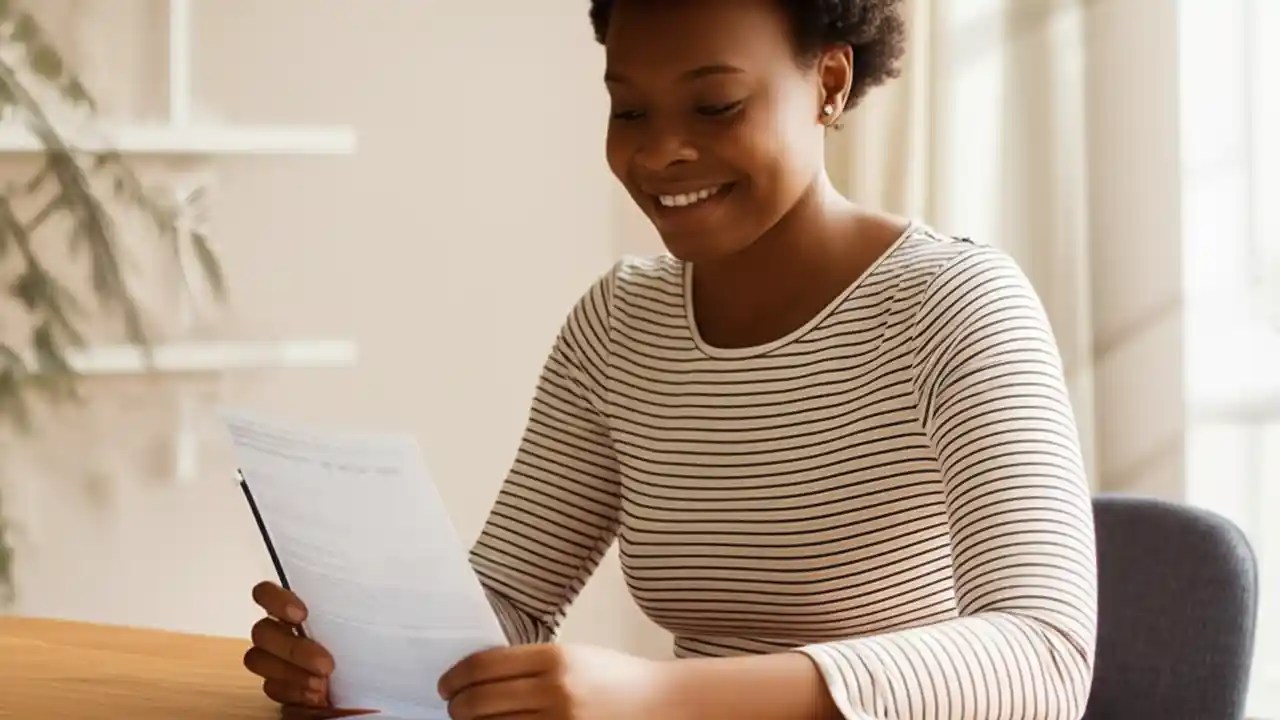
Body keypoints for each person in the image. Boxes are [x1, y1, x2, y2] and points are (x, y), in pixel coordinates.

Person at [244, 0, 1099, 718]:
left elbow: (1043, 656)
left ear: (828, 84)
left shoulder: (954, 306)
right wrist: (362, 658)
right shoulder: (622, 325)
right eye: (628, 110)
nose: (658, 154)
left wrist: (661, 697)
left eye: (716, 105)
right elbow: (507, 599)